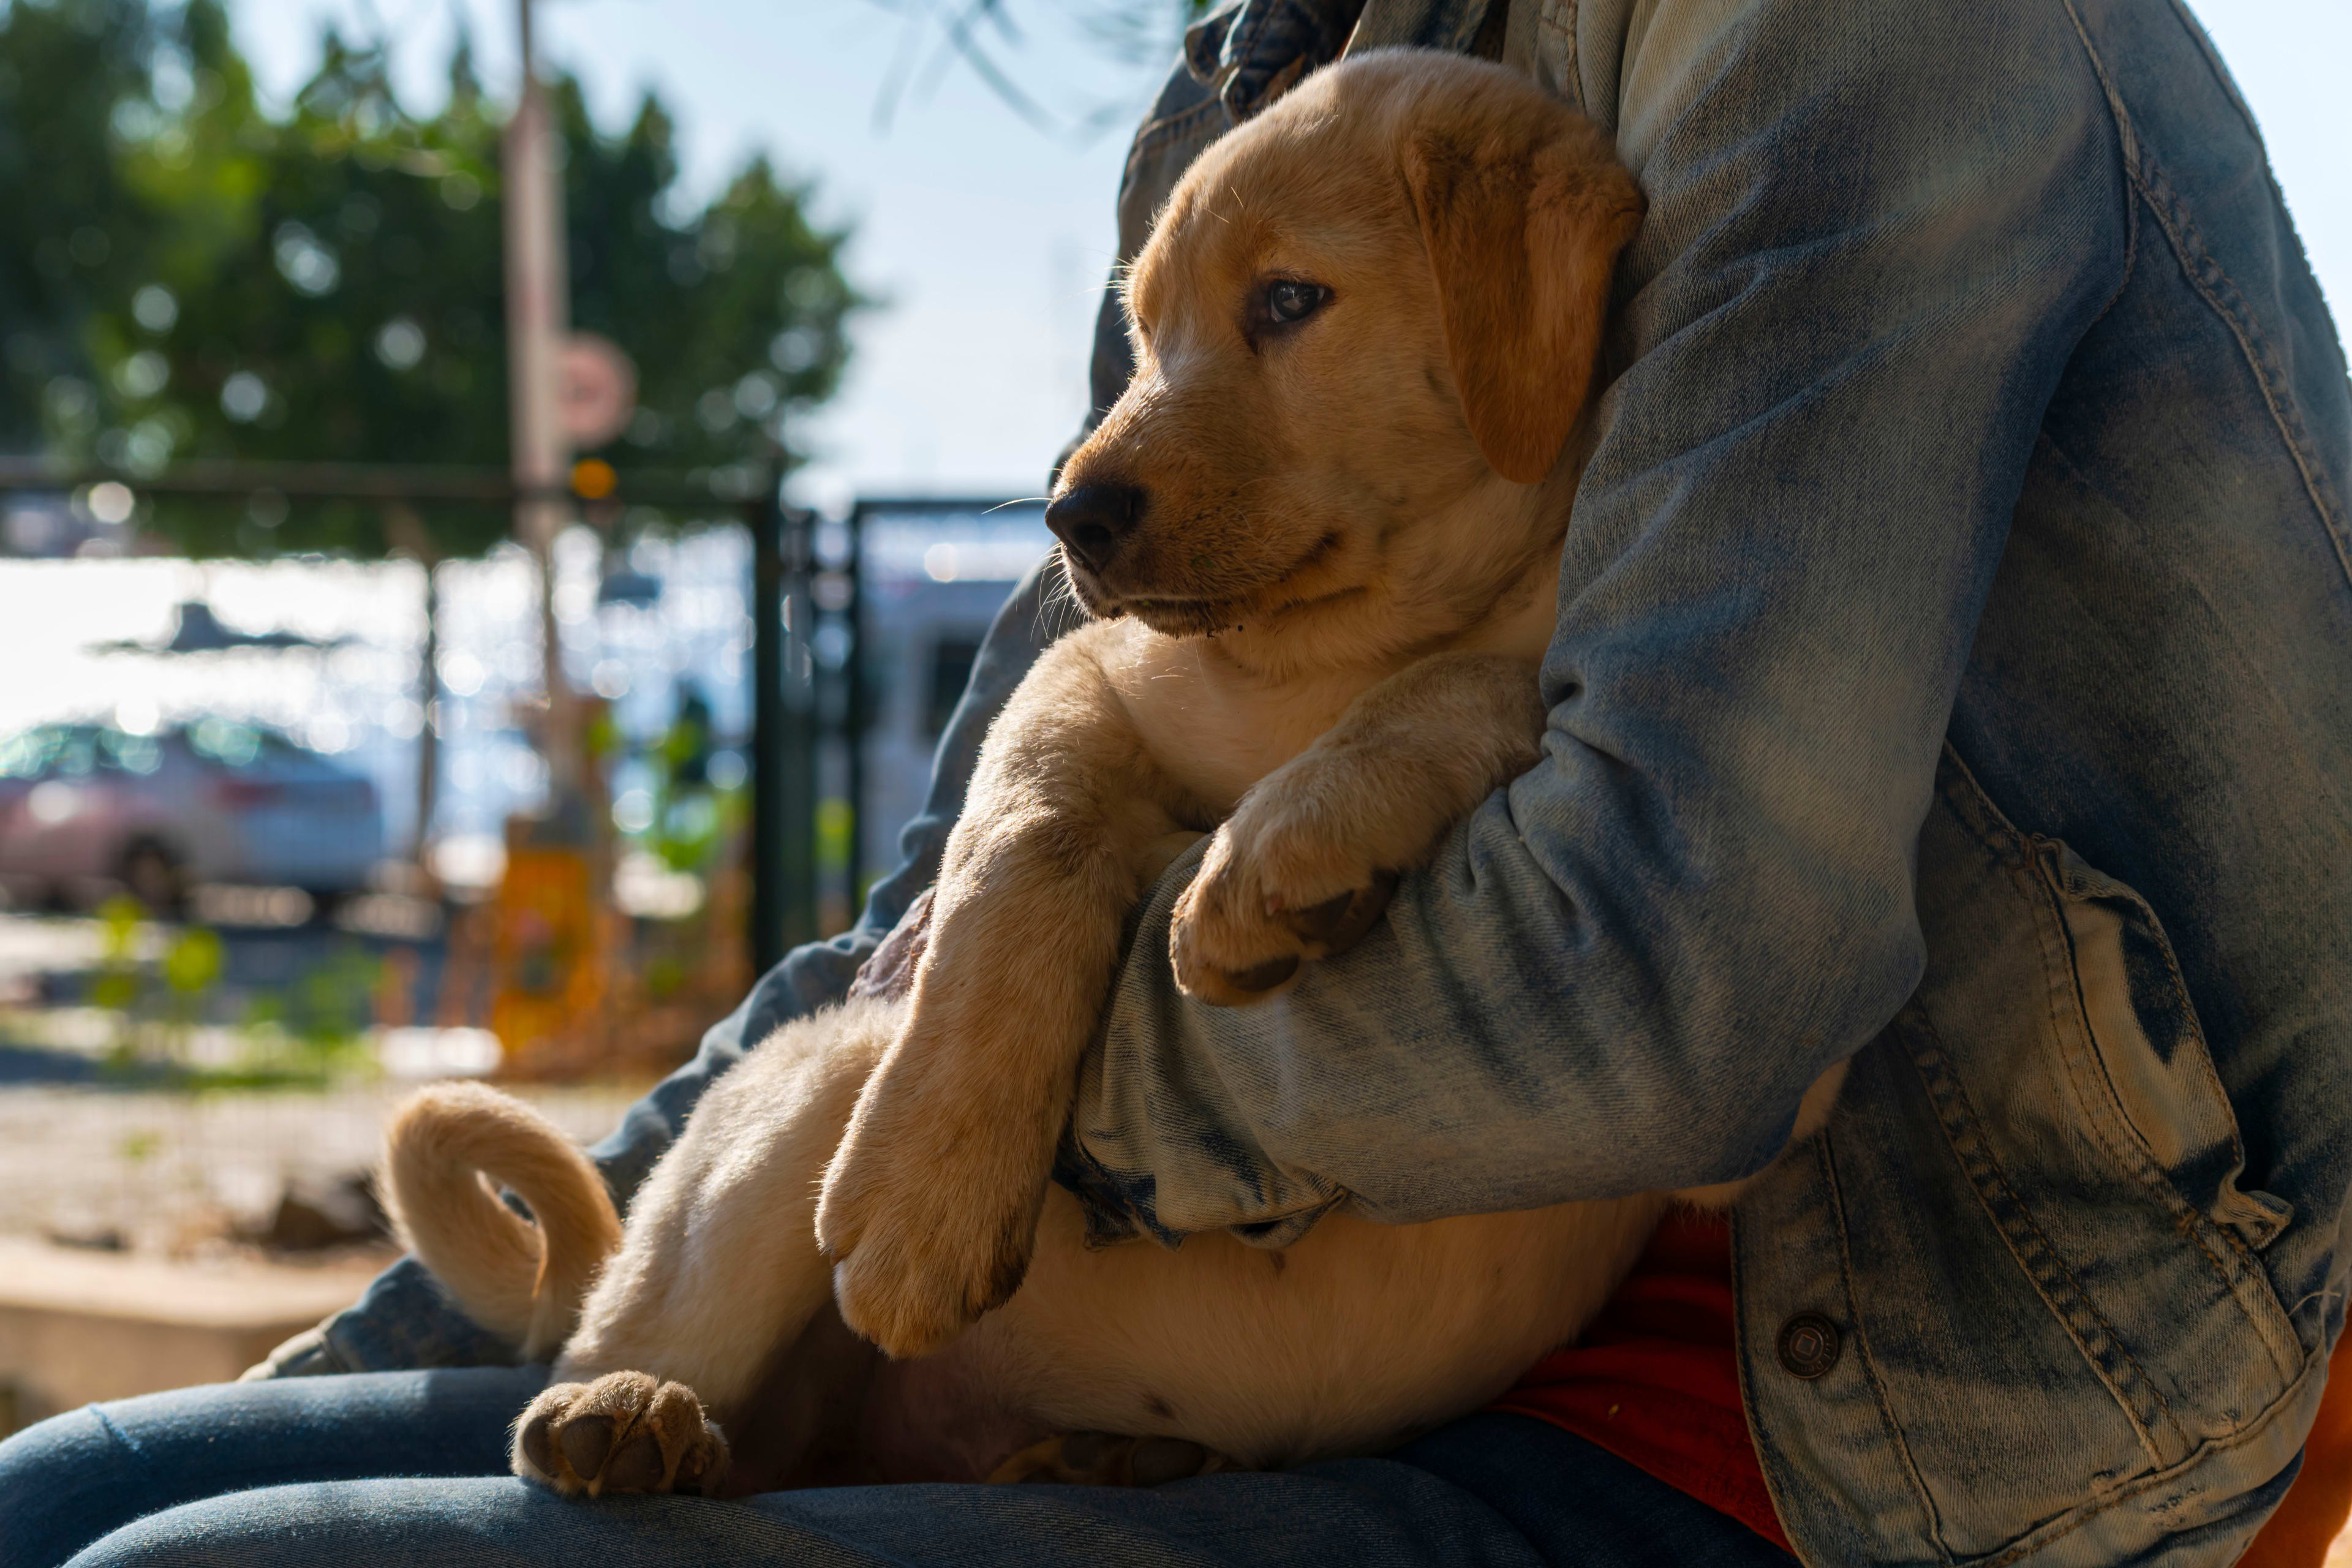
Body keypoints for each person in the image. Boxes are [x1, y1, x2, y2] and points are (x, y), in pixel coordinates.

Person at [4, 0, 2346, 1561]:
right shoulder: (1294, 55)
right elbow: (950, 888)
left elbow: (1673, 993)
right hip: (1092, 1312)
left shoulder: (1855, 45)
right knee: (76, 1501)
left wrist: (996, 1089)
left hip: (1861, 1422)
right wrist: (455, 1341)